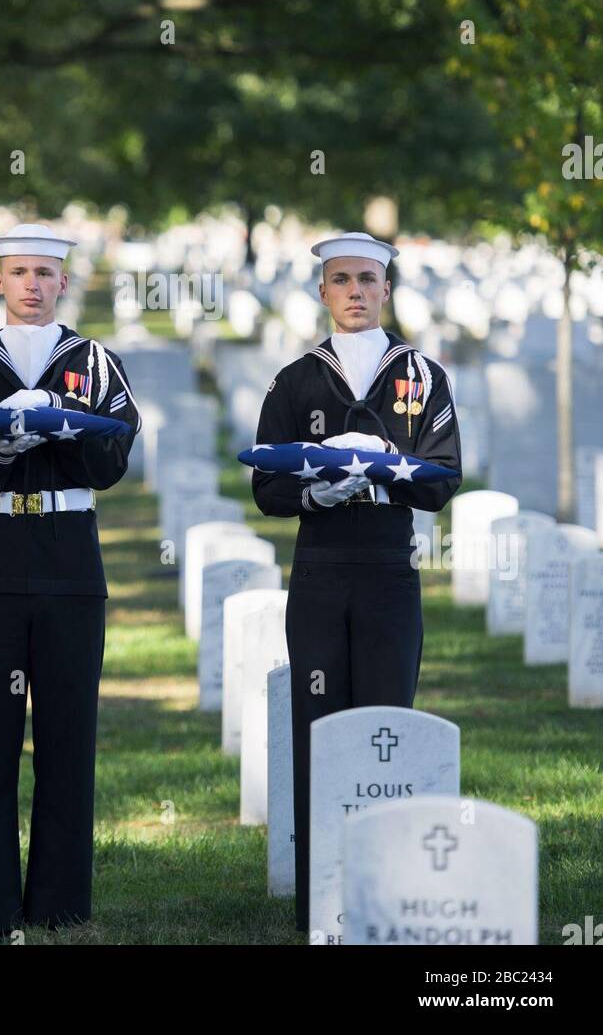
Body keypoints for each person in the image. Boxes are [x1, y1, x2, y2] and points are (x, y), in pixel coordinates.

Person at [0, 222, 141, 937]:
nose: (30, 284)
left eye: (44, 273)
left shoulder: (96, 363)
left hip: (69, 555)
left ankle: (59, 903)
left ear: (62, 282)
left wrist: (61, 430)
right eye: (18, 272)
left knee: (66, 736)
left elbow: (112, 464)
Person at [250, 231, 462, 937]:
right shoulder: (294, 380)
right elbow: (266, 484)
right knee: (318, 732)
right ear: (322, 292)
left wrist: (378, 475)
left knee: (387, 727)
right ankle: (323, 892)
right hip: (318, 571)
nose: (353, 291)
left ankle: (386, 888)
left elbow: (442, 478)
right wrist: (321, 493)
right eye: (339, 279)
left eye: (366, 279)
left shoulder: (423, 376)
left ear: (385, 289)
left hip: (388, 572)